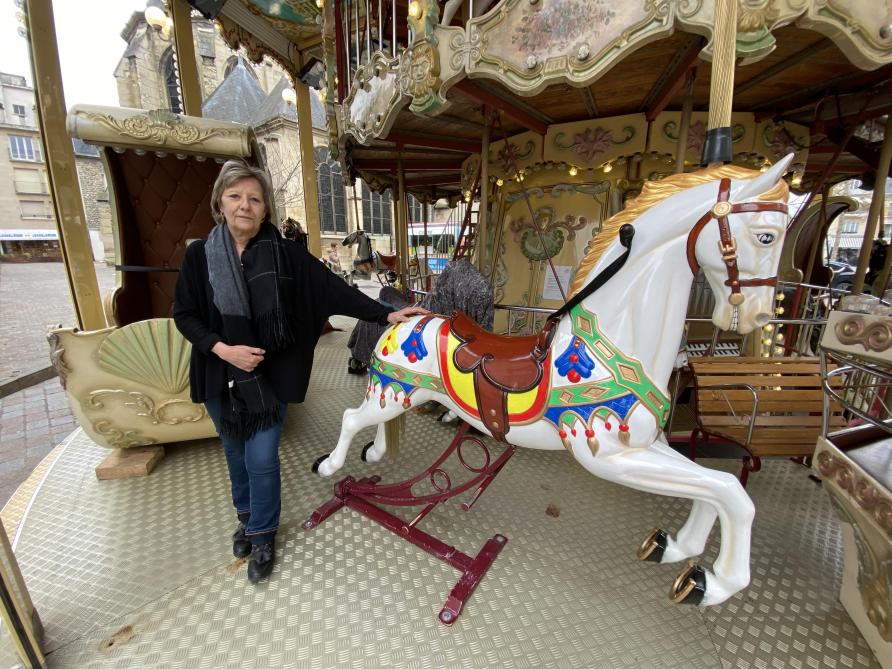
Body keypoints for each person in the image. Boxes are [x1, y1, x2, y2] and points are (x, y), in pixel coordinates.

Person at [173, 159, 426, 583]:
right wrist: (224, 350)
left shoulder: (286, 255)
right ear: (220, 202)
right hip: (221, 371)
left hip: (268, 376)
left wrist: (387, 315)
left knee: (261, 456)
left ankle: (263, 534)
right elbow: (184, 313)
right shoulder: (200, 255)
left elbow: (334, 291)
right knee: (235, 453)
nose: (245, 205)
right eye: (235, 196)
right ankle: (247, 517)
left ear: (265, 208)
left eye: (254, 198)